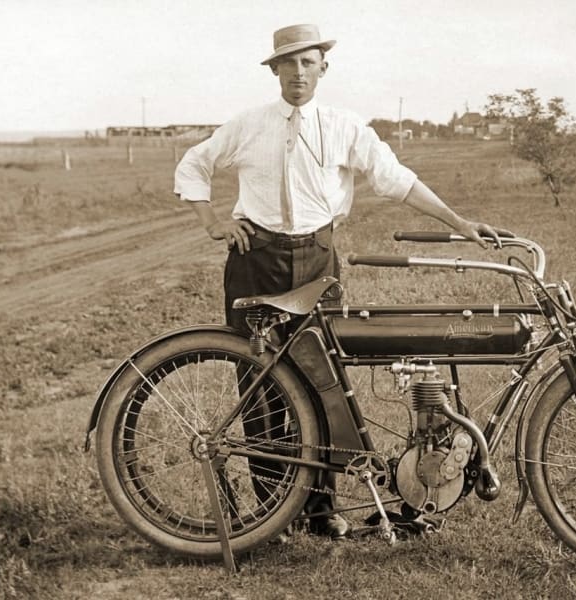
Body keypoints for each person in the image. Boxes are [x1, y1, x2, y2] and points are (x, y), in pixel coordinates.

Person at [174, 24, 504, 539]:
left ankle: (320, 512)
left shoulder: (345, 126)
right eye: (289, 64)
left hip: (317, 263)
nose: (298, 73)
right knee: (260, 387)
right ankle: (272, 516)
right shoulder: (248, 125)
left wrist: (459, 223)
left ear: (323, 69)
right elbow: (194, 164)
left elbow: (395, 179)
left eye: (308, 63)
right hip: (253, 259)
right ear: (274, 70)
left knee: (321, 386)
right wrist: (214, 222)